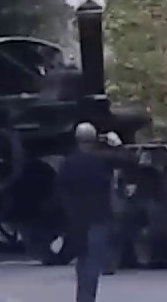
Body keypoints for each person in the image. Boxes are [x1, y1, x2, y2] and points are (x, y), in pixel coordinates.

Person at [56, 123, 124, 302]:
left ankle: (82, 297)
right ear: (94, 139)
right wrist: (117, 145)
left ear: (76, 139)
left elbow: (60, 191)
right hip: (100, 217)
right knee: (94, 261)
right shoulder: (102, 159)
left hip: (77, 220)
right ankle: (87, 298)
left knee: (82, 260)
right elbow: (130, 160)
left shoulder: (68, 162)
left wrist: (68, 213)